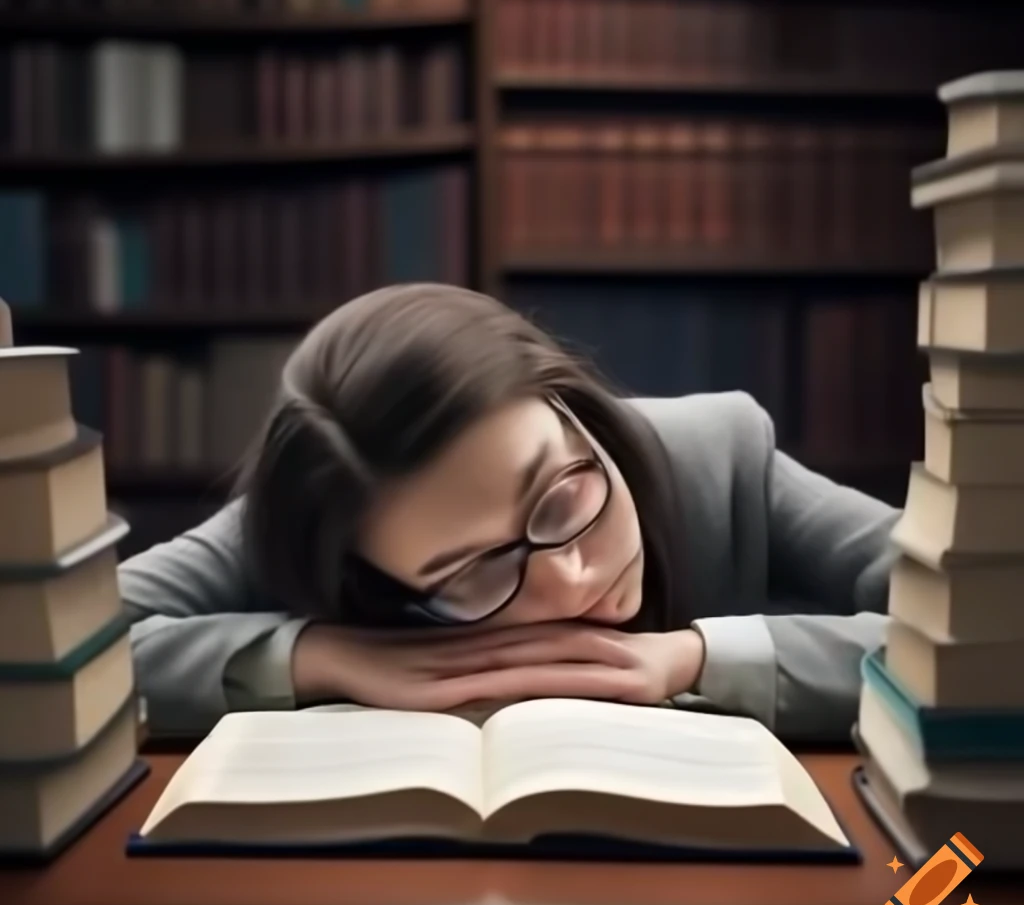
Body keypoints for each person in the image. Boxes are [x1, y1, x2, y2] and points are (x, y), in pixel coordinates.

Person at [118, 283, 900, 742]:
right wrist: (323, 657)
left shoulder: (720, 454)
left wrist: (695, 660)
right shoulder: (326, 513)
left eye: (560, 495)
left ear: (567, 401)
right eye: (471, 572)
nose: (569, 579)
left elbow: (964, 633)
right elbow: (84, 645)